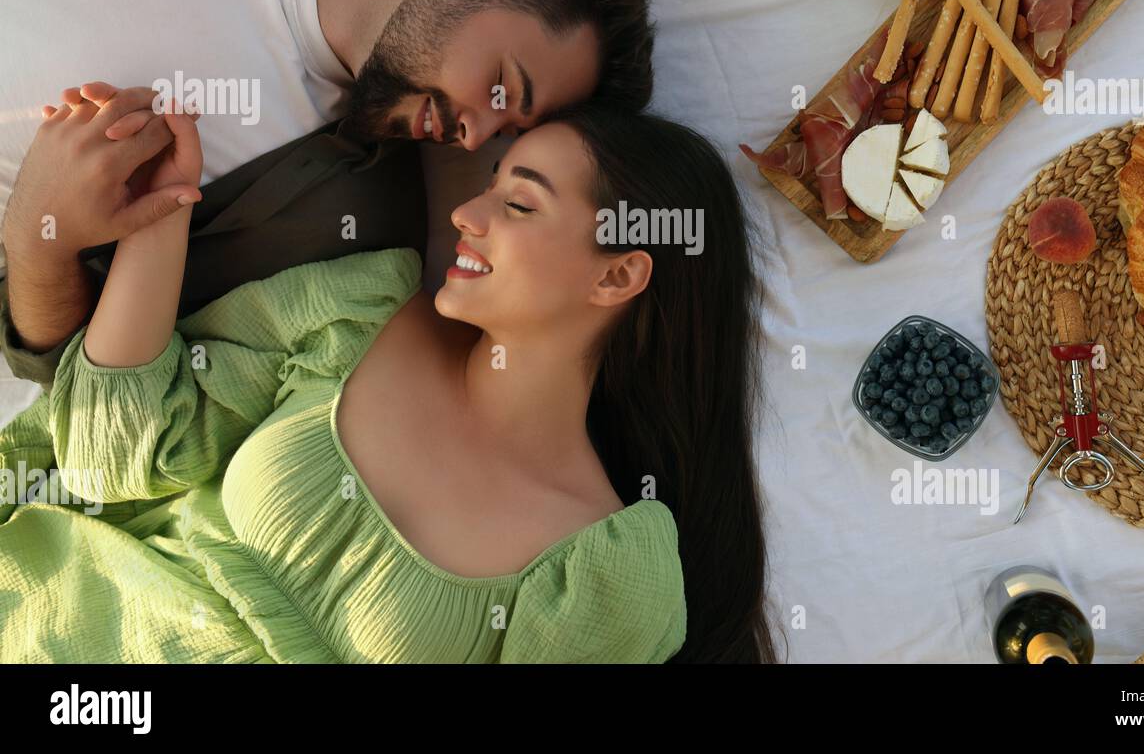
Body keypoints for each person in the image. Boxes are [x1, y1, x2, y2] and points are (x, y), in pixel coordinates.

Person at [0, 94, 779, 663]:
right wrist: (161, 209)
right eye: (489, 183)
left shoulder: (599, 573)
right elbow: (110, 458)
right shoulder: (360, 308)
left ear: (617, 276)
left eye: (518, 202)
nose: (470, 212)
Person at [0, 0, 655, 386]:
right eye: (502, 87)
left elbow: (79, 379)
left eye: (504, 129)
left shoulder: (345, 226)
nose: (475, 134)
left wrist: (38, 241)